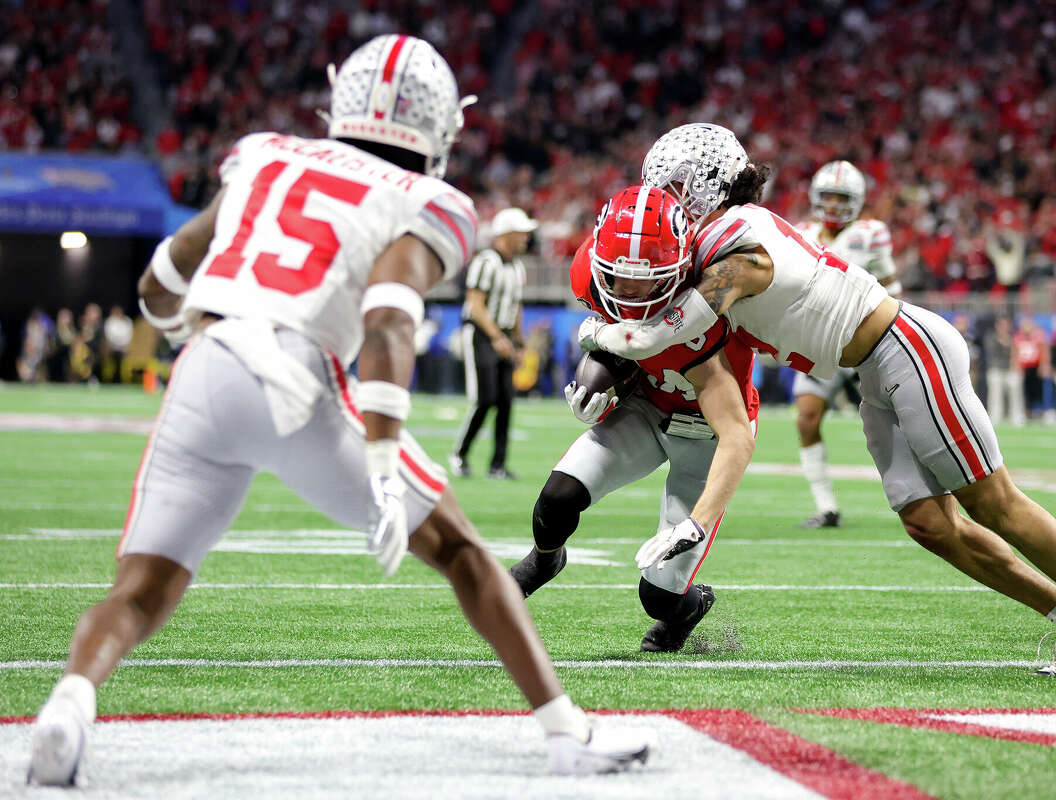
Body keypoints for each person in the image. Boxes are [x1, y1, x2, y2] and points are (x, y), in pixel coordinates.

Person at [26, 35, 653, 788]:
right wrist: (384, 464)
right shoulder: (430, 199)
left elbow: (162, 282)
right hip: (297, 379)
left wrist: (193, 333)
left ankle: (69, 704)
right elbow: (390, 317)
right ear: (440, 125)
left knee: (140, 589)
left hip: (205, 366)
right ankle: (565, 732)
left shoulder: (265, 154)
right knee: (459, 551)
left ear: (341, 98)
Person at [580, 122, 1056, 679]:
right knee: (929, 524)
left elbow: (661, 332)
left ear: (707, 183)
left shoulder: (734, 240)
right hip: (873, 371)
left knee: (993, 502)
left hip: (905, 348)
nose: (666, 200)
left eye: (676, 187)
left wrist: (595, 335)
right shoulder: (717, 234)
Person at [509, 185, 758, 652]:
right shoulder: (589, 276)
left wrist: (697, 522)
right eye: (617, 278)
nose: (630, 292)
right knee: (557, 499)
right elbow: (624, 352)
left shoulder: (702, 314)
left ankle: (689, 608)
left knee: (659, 595)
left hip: (706, 435)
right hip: (647, 407)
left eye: (647, 279)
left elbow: (736, 435)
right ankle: (545, 561)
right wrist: (607, 387)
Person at [788, 160, 901, 528]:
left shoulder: (871, 232)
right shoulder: (801, 232)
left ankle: (920, 497)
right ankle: (827, 507)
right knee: (806, 419)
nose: (834, 205)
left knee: (895, 425)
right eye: (828, 197)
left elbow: (891, 286)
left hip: (866, 343)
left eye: (841, 197)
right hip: (820, 344)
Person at [449, 207, 536, 480]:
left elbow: (516, 307)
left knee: (506, 402)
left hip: (504, 336)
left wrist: (519, 343)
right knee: (484, 399)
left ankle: (497, 465)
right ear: (506, 234)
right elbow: (475, 304)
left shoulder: (517, 267)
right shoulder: (486, 261)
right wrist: (496, 337)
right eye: (521, 232)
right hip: (481, 334)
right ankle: (459, 455)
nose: (525, 238)